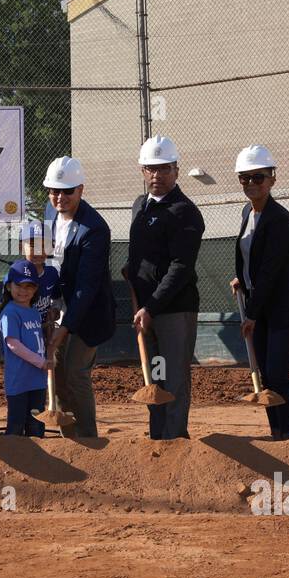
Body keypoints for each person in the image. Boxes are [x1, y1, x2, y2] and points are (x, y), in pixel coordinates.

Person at [126, 135, 205, 440]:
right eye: (151, 168)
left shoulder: (184, 212)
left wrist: (151, 306)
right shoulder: (140, 206)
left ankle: (174, 439)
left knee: (173, 379)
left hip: (173, 311)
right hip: (146, 312)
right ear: (142, 170)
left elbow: (180, 267)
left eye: (164, 168)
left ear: (176, 171)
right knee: (155, 377)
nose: (156, 175)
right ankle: (157, 438)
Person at [229, 145, 289, 441]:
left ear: (272, 179)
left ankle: (286, 436)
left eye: (258, 177)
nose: (251, 183)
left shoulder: (279, 218)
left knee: (277, 373)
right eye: (245, 178)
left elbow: (271, 270)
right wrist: (242, 278)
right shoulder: (247, 212)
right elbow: (252, 256)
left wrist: (251, 314)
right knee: (265, 375)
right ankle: (275, 433)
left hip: (283, 307)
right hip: (260, 304)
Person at [42, 156, 115, 438]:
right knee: (58, 372)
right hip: (60, 305)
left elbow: (87, 286)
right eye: (54, 191)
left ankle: (87, 439)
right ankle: (68, 437)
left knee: (74, 370)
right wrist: (49, 304)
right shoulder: (49, 213)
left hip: (88, 312)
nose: (59, 197)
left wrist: (64, 328)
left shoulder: (94, 229)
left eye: (67, 191)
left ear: (80, 190)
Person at [0, 259, 49, 437]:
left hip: (37, 380)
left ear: (36, 289)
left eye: (29, 286)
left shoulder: (34, 312)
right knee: (16, 425)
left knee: (36, 425)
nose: (23, 290)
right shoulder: (10, 312)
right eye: (18, 285)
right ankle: (13, 455)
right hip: (19, 380)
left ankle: (37, 455)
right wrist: (41, 362)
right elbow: (13, 344)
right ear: (8, 286)